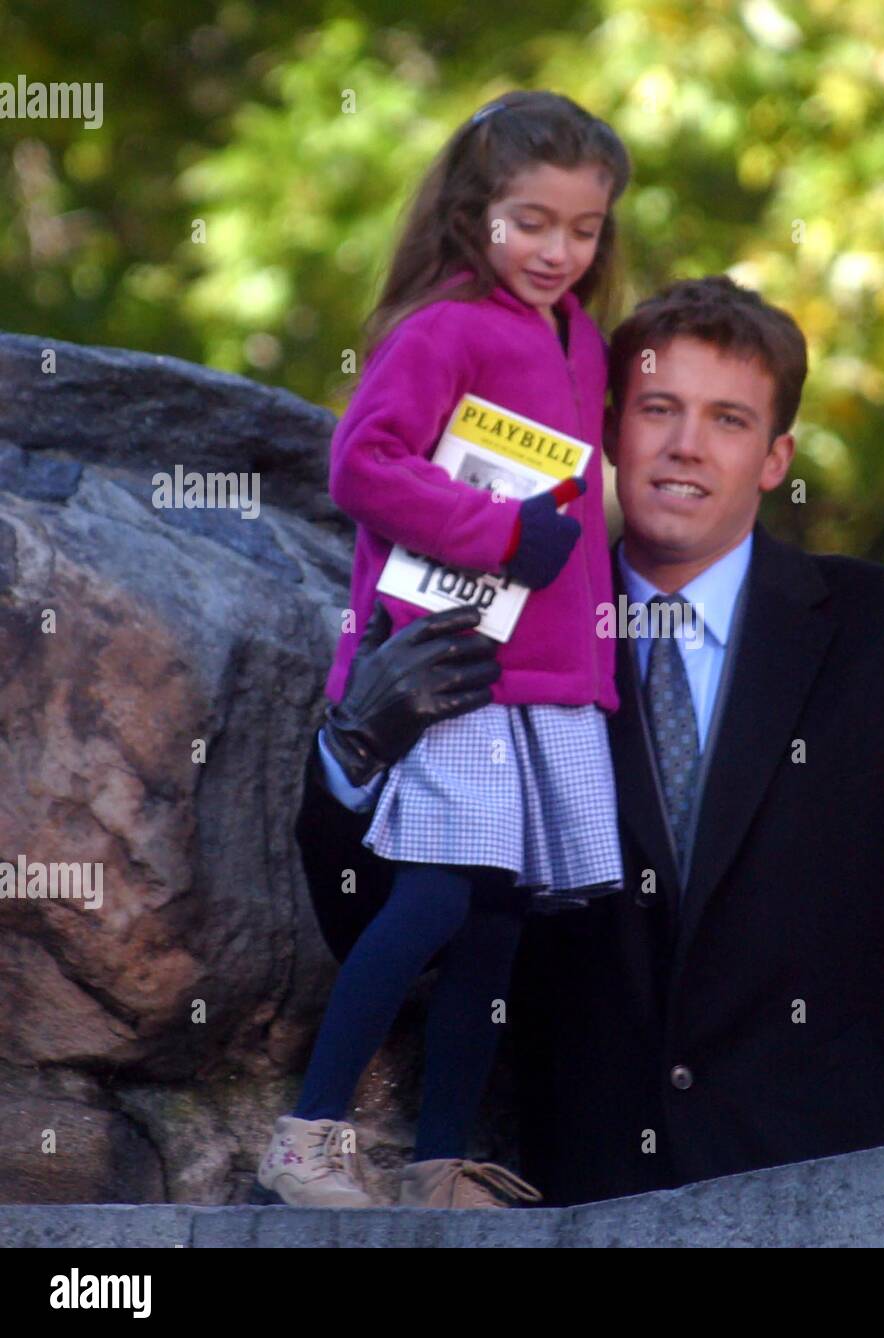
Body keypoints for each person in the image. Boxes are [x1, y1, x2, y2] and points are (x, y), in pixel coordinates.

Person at [298, 274, 884, 1208]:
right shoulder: (495, 627)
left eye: (728, 420)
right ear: (610, 431)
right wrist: (356, 750)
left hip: (846, 1203)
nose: (685, 447)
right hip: (576, 1202)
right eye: (659, 409)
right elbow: (379, 931)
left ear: (777, 456)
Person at [254, 90, 633, 1210]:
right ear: (473, 214)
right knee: (433, 898)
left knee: (497, 928)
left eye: (584, 227)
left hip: (549, 682)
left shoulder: (582, 341)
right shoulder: (445, 328)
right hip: (455, 671)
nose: (559, 250)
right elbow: (363, 463)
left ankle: (437, 1165)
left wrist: (592, 672)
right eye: (531, 221)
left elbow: (582, 523)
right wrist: (506, 533)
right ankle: (308, 1137)